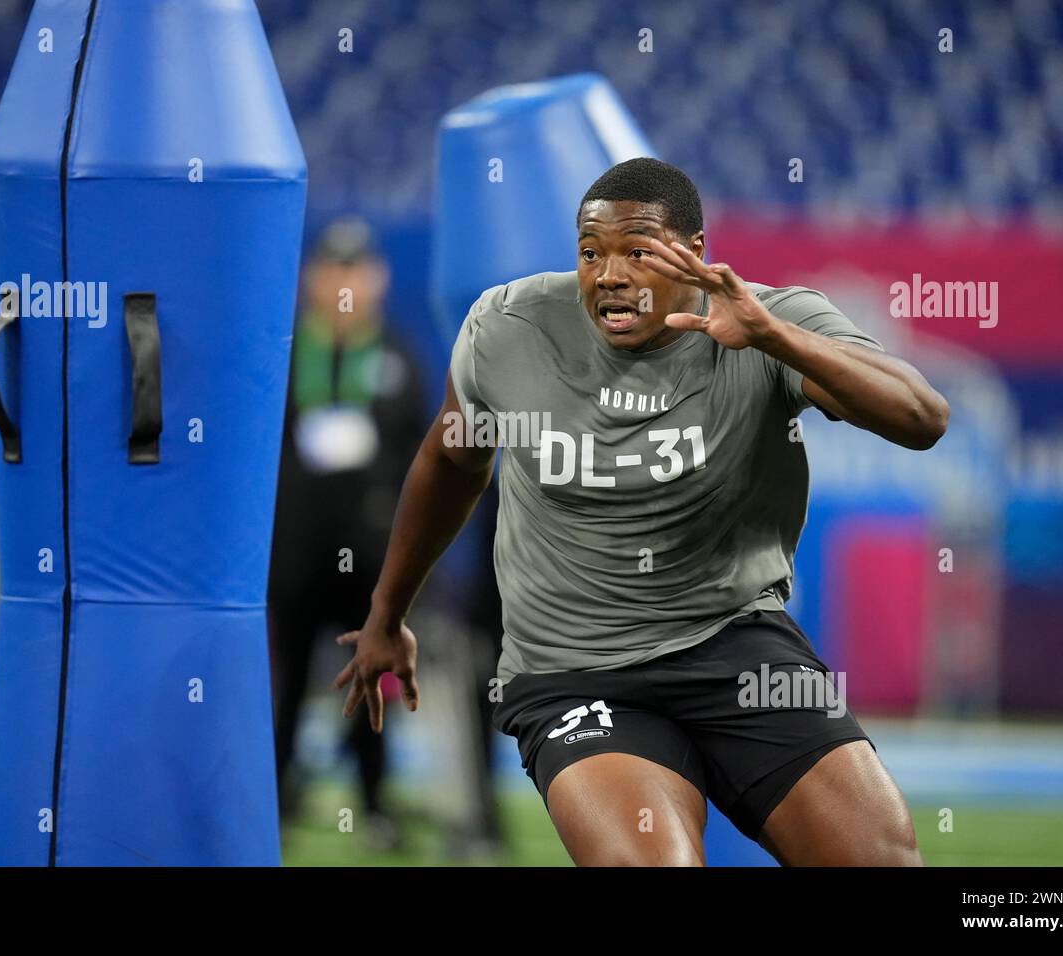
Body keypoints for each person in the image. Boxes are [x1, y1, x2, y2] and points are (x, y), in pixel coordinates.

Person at [334, 158, 949, 866]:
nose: (610, 274)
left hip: (732, 642)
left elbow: (921, 417)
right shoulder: (509, 329)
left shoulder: (769, 321)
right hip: (573, 667)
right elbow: (448, 464)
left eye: (638, 250)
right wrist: (387, 616)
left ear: (694, 254)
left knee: (883, 860)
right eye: (591, 252)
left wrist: (775, 338)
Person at [267, 217, 425, 849]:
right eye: (334, 269)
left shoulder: (396, 356)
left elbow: (424, 461)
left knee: (371, 683)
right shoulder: (282, 352)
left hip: (370, 559)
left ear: (377, 278)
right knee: (285, 682)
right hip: (295, 553)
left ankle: (375, 807)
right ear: (312, 279)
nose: (345, 283)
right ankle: (271, 803)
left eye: (355, 270)